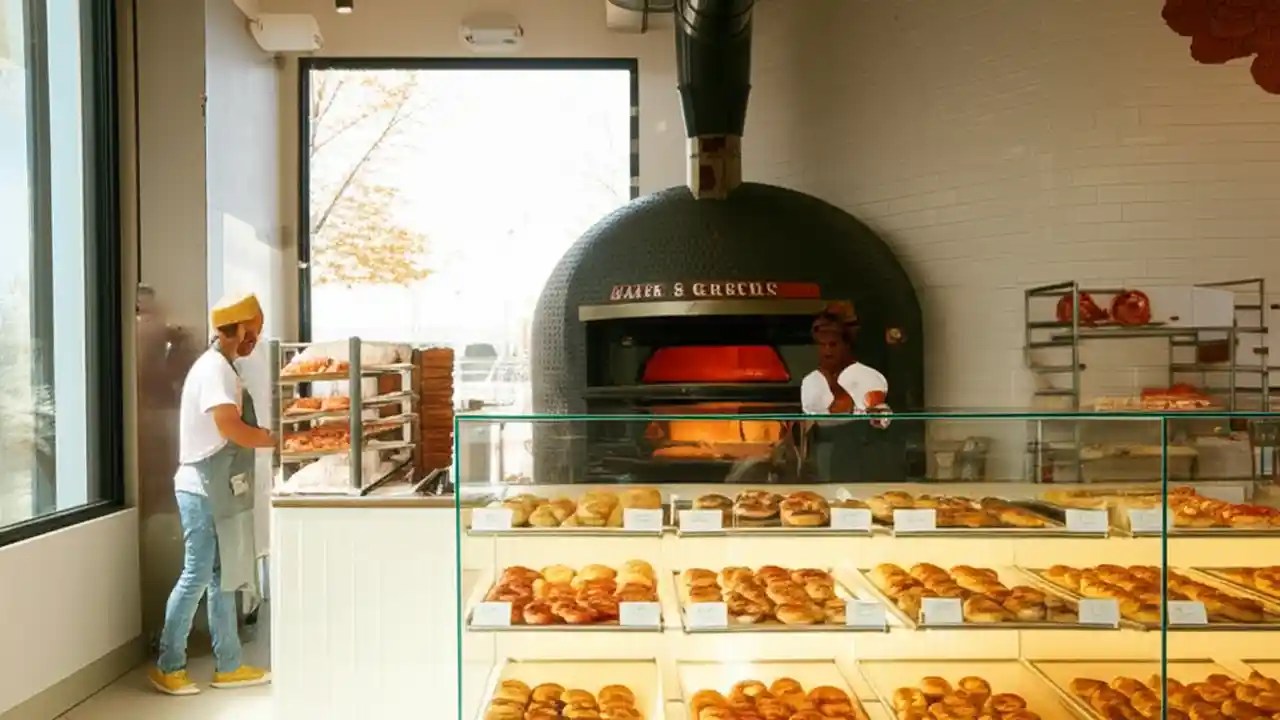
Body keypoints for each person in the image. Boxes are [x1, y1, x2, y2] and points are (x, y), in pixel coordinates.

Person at [149, 293, 275, 695]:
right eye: (251, 332)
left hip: (215, 487)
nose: (253, 340)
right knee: (197, 574)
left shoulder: (223, 367)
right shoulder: (214, 370)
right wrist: (275, 441)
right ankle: (169, 666)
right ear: (233, 329)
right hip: (201, 488)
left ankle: (230, 664)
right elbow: (229, 427)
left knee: (223, 577)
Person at [799, 303, 893, 482]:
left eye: (833, 344)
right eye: (821, 345)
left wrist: (833, 381)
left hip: (861, 458)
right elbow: (811, 424)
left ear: (846, 345)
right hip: (823, 457)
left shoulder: (868, 376)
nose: (827, 351)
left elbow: (858, 407)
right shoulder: (810, 381)